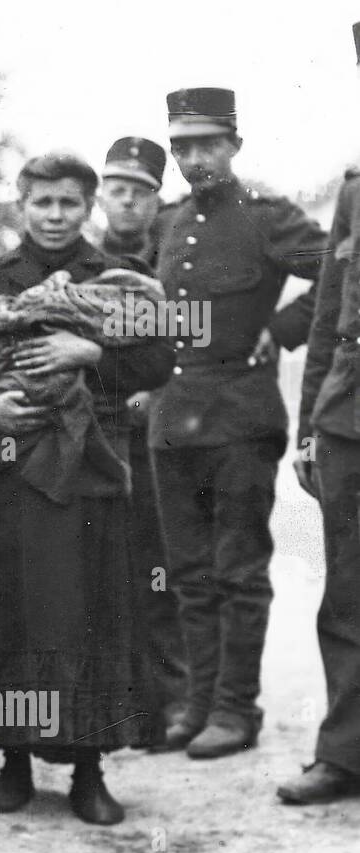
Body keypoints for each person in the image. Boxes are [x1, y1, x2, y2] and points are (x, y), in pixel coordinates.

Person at [0, 152, 173, 825]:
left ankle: (90, 770)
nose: (55, 216)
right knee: (9, 614)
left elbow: (160, 359)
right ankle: (14, 765)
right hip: (2, 473)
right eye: (43, 203)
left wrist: (92, 353)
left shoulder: (118, 278)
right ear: (23, 204)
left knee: (91, 615)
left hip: (89, 469)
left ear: (88, 207)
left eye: (68, 203)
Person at [149, 88, 327, 759]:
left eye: (207, 144)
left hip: (241, 417)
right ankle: (198, 704)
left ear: (234, 146)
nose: (194, 158)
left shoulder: (267, 216)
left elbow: (338, 272)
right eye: (182, 147)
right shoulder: (167, 223)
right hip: (173, 417)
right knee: (189, 571)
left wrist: (282, 329)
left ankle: (235, 708)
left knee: (239, 570)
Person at [278, 22, 360, 805]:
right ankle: (346, 753)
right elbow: (333, 313)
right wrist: (308, 427)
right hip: (350, 421)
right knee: (348, 595)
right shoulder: (357, 187)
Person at [95, 137, 188, 741]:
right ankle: (112, 703)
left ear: (157, 200)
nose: (128, 201)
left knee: (160, 566)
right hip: (97, 431)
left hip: (163, 438)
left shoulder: (175, 262)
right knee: (102, 565)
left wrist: (156, 395)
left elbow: (193, 341)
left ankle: (170, 700)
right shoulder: (84, 262)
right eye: (118, 189)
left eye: (140, 191)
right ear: (101, 196)